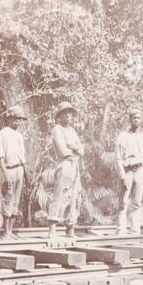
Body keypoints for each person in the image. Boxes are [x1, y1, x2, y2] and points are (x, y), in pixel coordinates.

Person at [49, 102, 84, 242]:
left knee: (75, 196)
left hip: (74, 166)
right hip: (64, 166)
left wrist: (74, 148)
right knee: (59, 195)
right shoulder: (57, 129)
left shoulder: (72, 131)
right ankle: (52, 229)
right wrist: (75, 150)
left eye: (70, 113)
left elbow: (82, 150)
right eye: (65, 113)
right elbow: (63, 152)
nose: (68, 115)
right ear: (60, 116)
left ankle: (70, 228)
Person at [114, 107, 143, 235]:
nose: (136, 120)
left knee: (137, 203)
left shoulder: (141, 137)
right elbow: (118, 157)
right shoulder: (123, 136)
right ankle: (121, 229)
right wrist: (122, 175)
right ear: (130, 120)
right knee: (123, 202)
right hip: (127, 171)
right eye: (134, 118)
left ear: (141, 120)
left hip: (139, 171)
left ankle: (135, 230)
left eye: (138, 118)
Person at [0, 105, 29, 239]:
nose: (18, 122)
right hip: (8, 169)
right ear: (9, 118)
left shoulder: (19, 136)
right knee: (8, 199)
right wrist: (5, 173)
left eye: (20, 119)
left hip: (19, 169)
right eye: (15, 119)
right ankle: (5, 232)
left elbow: (22, 156)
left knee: (16, 201)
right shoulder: (3, 133)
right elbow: (0, 156)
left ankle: (10, 230)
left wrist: (26, 173)